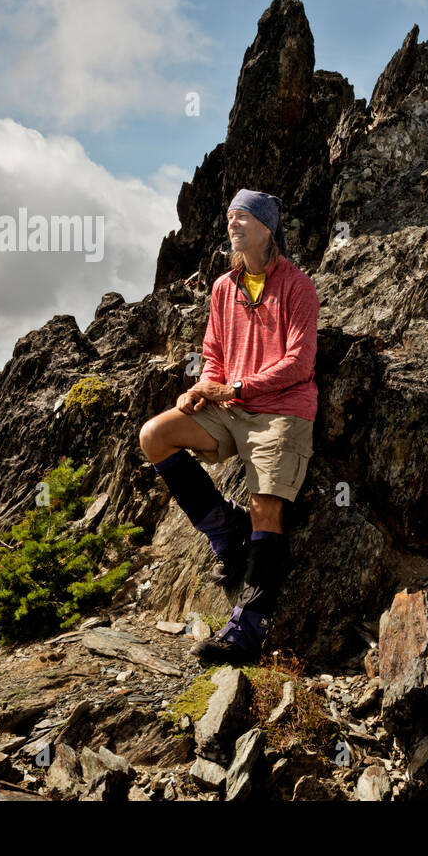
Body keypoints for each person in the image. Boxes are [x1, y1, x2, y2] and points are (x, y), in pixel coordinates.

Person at [137, 189, 318, 664]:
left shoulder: (298, 287)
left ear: (266, 228)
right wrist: (201, 387)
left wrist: (236, 386)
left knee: (266, 506)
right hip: (228, 407)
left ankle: (248, 627)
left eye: (242, 217)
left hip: (282, 411)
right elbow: (214, 353)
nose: (232, 224)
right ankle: (224, 530)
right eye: (229, 217)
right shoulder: (223, 287)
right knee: (154, 435)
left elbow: (299, 364)